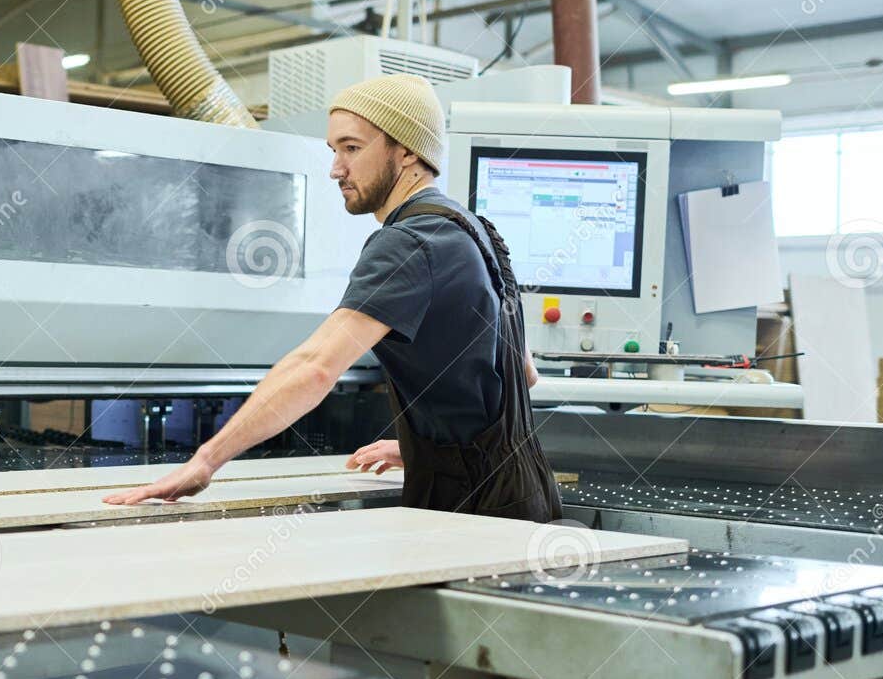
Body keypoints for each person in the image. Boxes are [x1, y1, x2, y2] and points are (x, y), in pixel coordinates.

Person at [103, 73, 561, 523]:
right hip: (524, 491)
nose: (336, 168)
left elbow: (316, 367)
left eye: (352, 148)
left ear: (407, 151)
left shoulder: (407, 242)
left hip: (472, 508)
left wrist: (205, 461)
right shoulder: (475, 230)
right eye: (334, 150)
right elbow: (524, 374)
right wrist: (428, 448)